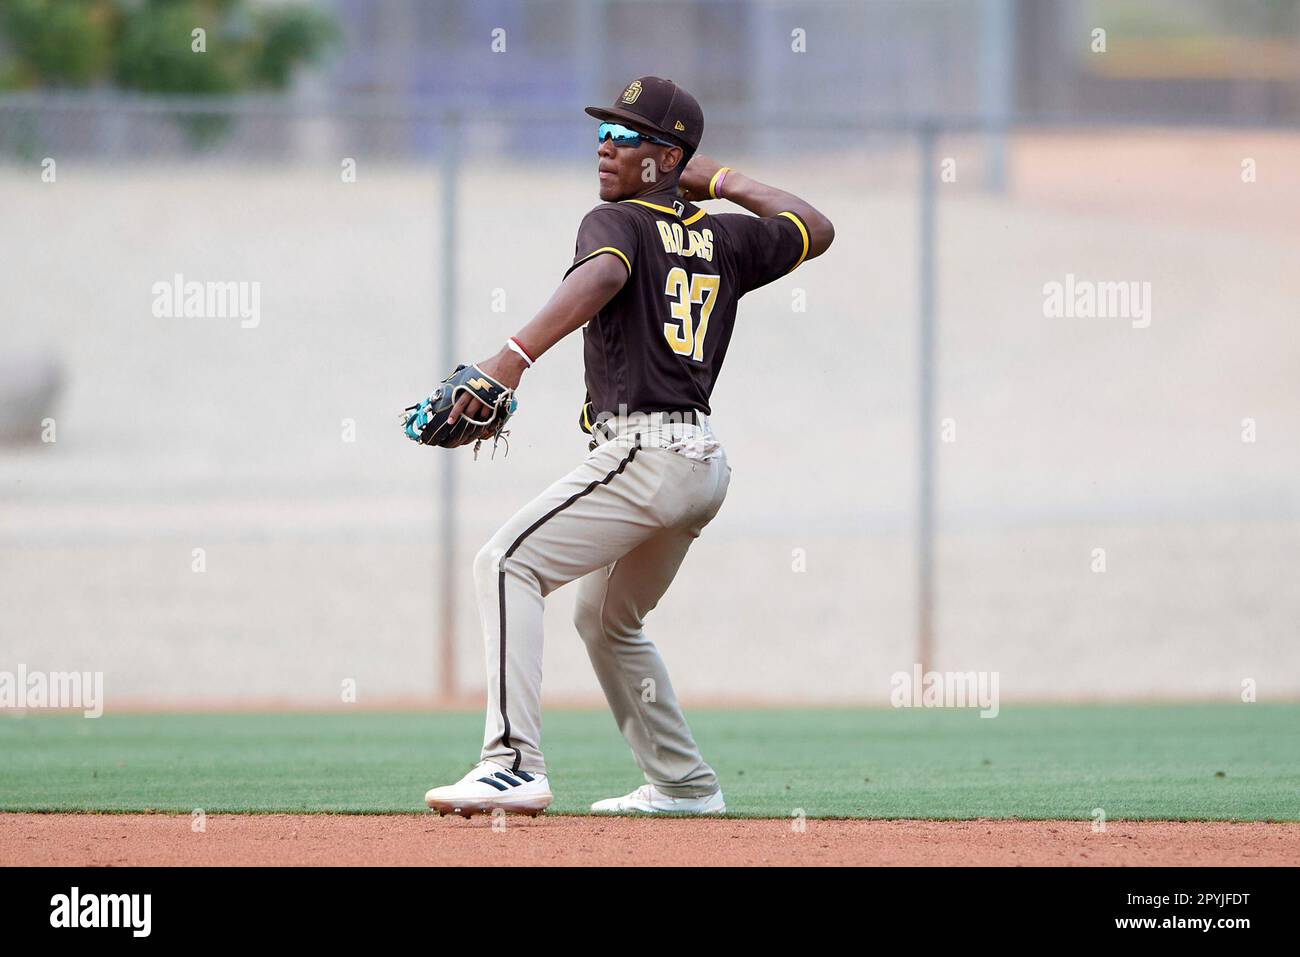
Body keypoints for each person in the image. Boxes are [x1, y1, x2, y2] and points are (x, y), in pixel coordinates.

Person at [423, 75, 834, 817]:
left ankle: (511, 763)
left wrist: (511, 355)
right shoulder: (728, 236)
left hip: (647, 452)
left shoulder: (618, 223)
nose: (605, 146)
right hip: (702, 464)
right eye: (604, 132)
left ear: (666, 154)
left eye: (627, 135)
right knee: (606, 619)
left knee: (507, 561)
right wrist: (722, 179)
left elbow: (607, 274)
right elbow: (815, 225)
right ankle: (684, 783)